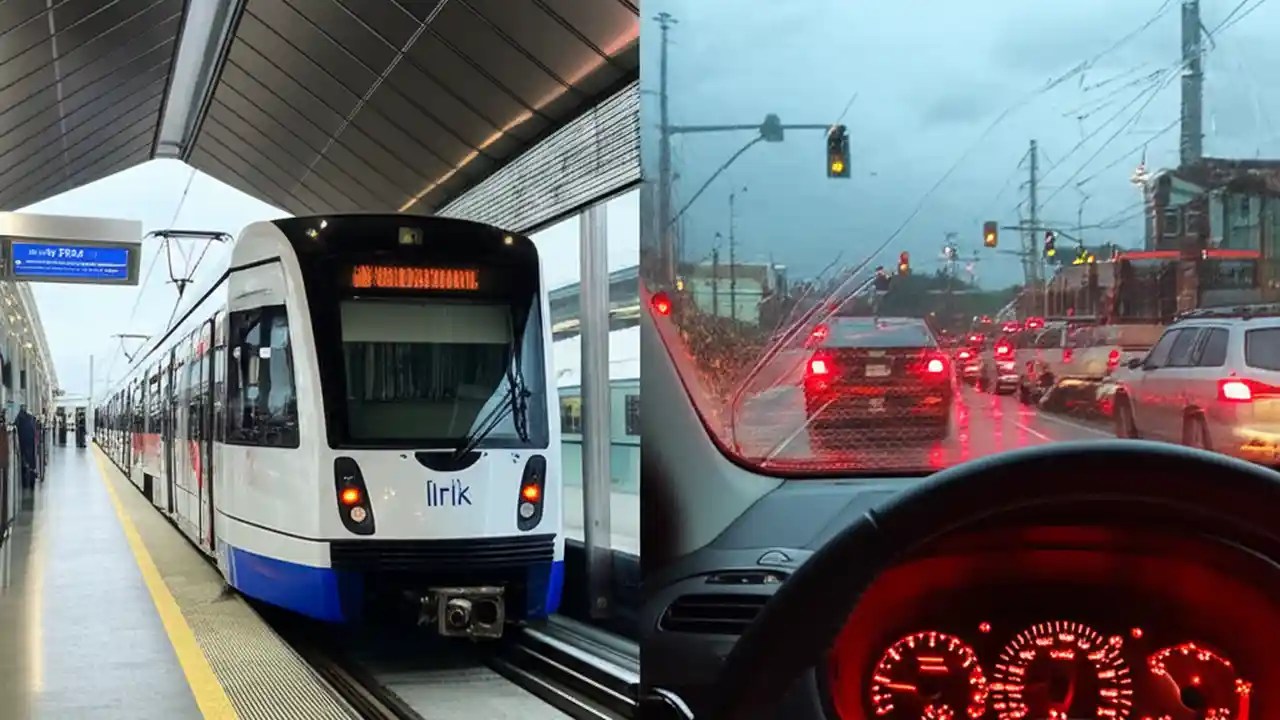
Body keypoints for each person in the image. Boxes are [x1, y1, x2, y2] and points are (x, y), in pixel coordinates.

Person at [15, 404, 37, 488]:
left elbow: (16, 425)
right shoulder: (30, 418)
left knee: (24, 460)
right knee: (31, 459)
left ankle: (25, 480)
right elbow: (33, 430)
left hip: (23, 441)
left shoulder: (19, 418)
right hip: (30, 441)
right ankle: (31, 476)